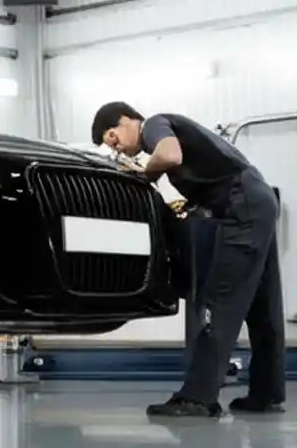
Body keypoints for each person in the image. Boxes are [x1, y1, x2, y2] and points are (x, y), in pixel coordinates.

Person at [91, 102, 286, 417]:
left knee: (219, 302)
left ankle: (197, 397)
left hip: (242, 206)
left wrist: (144, 173)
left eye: (113, 137)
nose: (117, 148)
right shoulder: (173, 130)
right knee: (263, 305)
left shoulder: (154, 124)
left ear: (128, 120)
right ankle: (268, 393)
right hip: (258, 200)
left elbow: (169, 155)